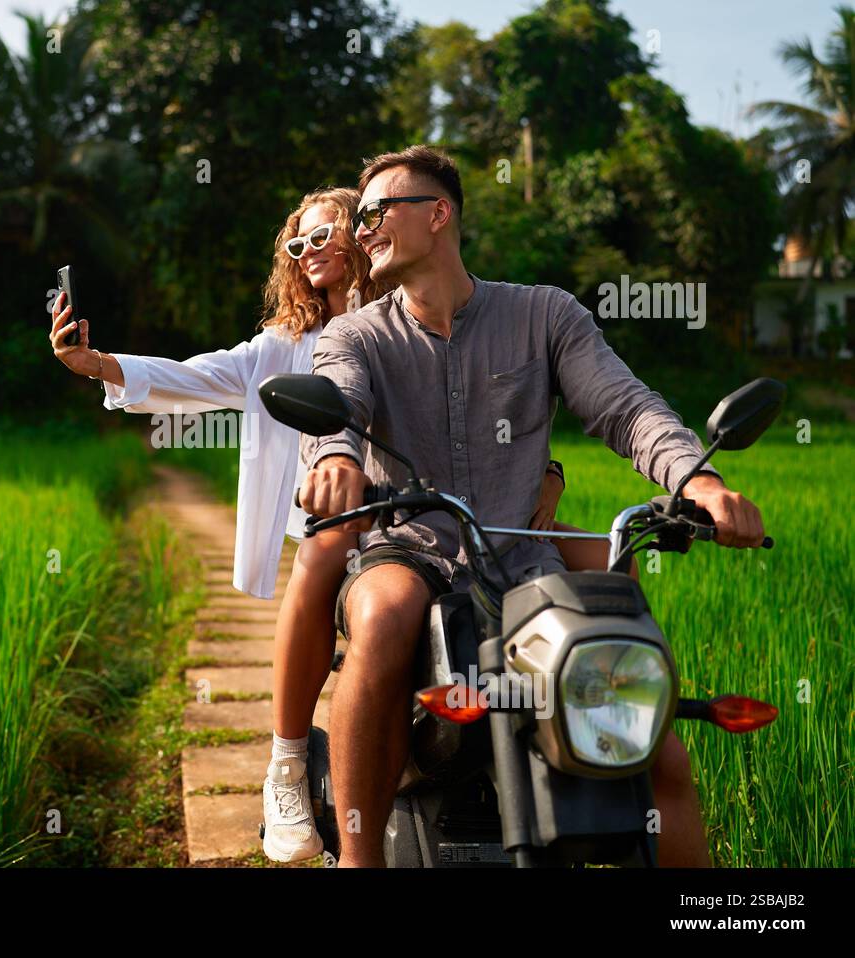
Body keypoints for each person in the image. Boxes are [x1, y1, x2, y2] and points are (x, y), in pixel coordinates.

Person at [49, 187, 604, 864]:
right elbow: (197, 376)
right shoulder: (285, 347)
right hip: (356, 521)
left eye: (322, 236)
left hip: (447, 514)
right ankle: (286, 761)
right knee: (327, 546)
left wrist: (550, 470)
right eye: (296, 244)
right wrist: (100, 365)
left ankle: (601, 726)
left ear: (360, 235)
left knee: (604, 555)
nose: (308, 252)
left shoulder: (415, 312)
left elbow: (487, 409)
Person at [300, 145, 767, 868]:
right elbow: (337, 402)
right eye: (357, 219)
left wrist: (695, 483)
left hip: (526, 565)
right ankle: (360, 860)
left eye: (373, 213)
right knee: (385, 612)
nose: (359, 231)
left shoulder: (544, 314)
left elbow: (626, 408)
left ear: (438, 213)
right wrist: (334, 457)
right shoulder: (355, 334)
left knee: (658, 751)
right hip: (412, 549)